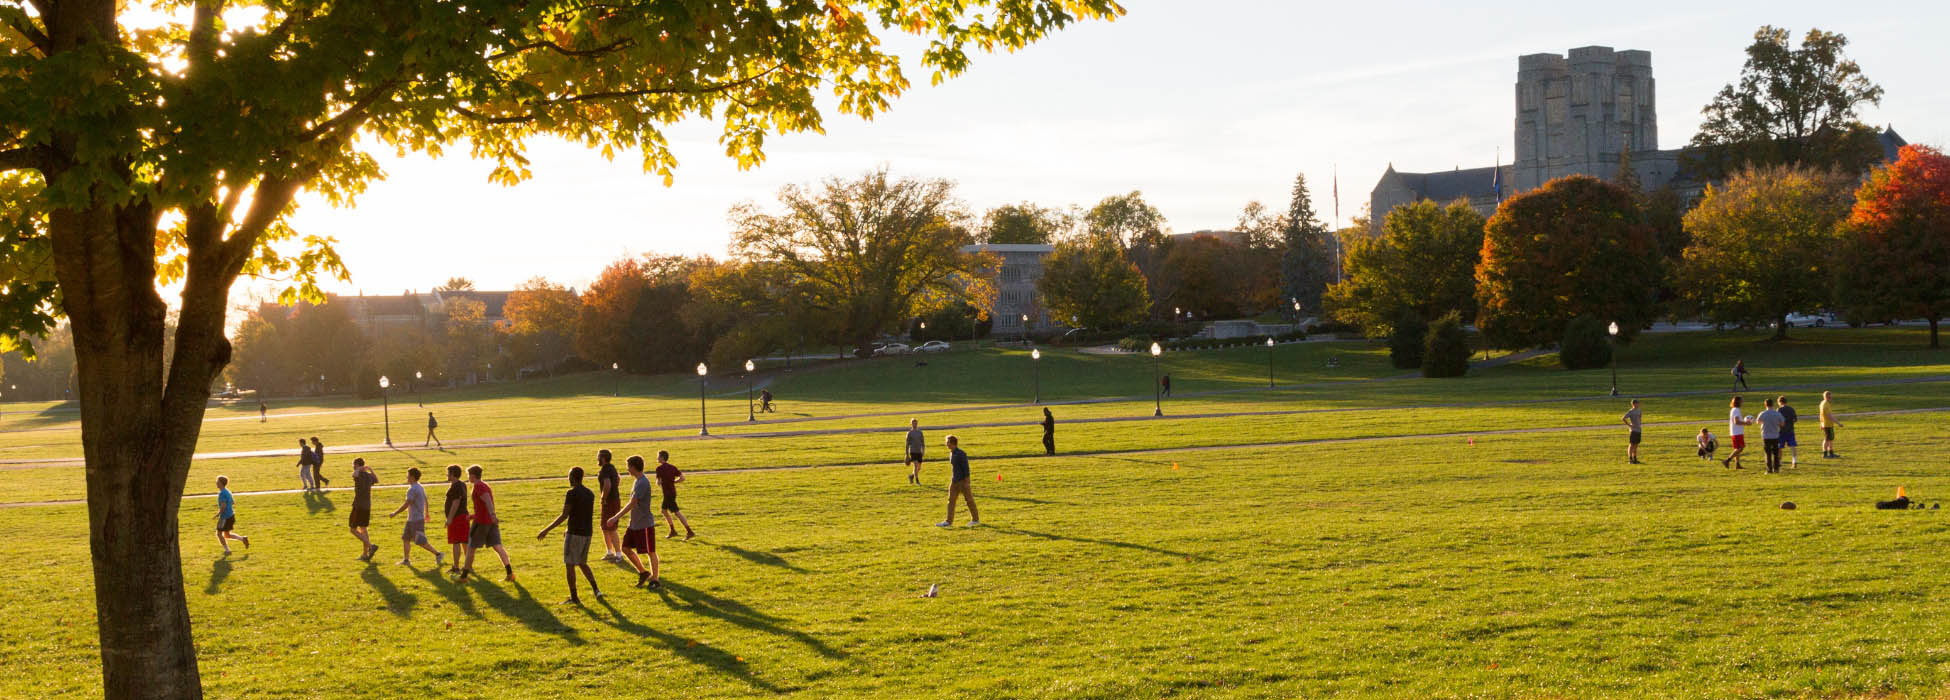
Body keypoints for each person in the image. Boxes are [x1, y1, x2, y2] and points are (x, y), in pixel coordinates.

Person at [537, 467, 602, 605]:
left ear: (572, 477)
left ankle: (574, 597)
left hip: (575, 534)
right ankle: (596, 590)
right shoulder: (590, 493)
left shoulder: (571, 493)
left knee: (570, 565)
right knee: (582, 563)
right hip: (587, 533)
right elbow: (582, 514)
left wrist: (546, 530)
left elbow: (564, 515)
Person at [603, 455, 660, 589]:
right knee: (625, 548)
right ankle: (643, 572)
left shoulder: (642, 482)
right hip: (634, 524)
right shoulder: (637, 481)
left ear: (634, 467)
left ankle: (655, 580)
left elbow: (632, 504)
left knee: (650, 551)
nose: (627, 469)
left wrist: (615, 518)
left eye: (628, 466)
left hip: (644, 524)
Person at [458, 465, 514, 583]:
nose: (468, 478)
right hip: (489, 521)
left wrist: (492, 514)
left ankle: (463, 577)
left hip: (481, 523)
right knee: (498, 547)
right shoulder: (484, 485)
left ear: (473, 476)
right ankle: (510, 573)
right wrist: (473, 516)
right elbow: (482, 506)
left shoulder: (479, 486)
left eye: (468, 475)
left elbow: (487, 500)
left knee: (471, 549)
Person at [388, 467, 444, 567]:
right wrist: (426, 513)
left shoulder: (412, 489)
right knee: (406, 539)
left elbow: (406, 504)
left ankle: (438, 554)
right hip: (412, 519)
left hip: (416, 520)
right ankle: (406, 560)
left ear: (412, 477)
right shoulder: (419, 486)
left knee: (421, 541)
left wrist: (395, 513)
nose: (406, 477)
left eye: (408, 475)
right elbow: (426, 499)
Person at [937, 435, 980, 527]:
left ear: (953, 443)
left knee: (969, 500)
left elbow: (966, 467)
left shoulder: (961, 453)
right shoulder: (951, 453)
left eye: (948, 442)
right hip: (954, 480)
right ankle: (948, 521)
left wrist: (967, 480)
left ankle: (975, 520)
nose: (946, 444)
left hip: (963, 481)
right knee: (951, 500)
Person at [656, 450, 695, 540]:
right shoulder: (673, 467)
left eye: (658, 456)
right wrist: (674, 482)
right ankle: (673, 530)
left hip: (667, 494)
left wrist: (661, 482)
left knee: (677, 513)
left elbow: (658, 482)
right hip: (672, 492)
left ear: (662, 457)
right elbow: (682, 478)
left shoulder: (659, 469)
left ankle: (689, 531)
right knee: (664, 511)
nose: (657, 458)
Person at [348, 457, 379, 561]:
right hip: (367, 506)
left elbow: (354, 475)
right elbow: (377, 480)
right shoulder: (369, 476)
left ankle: (371, 546)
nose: (353, 466)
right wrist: (370, 469)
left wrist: (359, 469)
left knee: (353, 529)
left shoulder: (359, 475)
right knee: (363, 530)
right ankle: (365, 555)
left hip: (358, 506)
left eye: (354, 464)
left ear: (357, 465)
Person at [596, 449, 623, 563]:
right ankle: (609, 552)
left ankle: (618, 554)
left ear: (602, 458)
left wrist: (603, 498)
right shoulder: (611, 467)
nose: (597, 458)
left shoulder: (605, 470)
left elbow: (607, 484)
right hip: (614, 499)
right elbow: (618, 478)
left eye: (598, 456)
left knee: (611, 527)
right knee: (604, 527)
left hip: (610, 501)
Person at [441, 465, 469, 574]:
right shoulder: (461, 484)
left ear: (452, 474)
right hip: (462, 517)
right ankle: (468, 566)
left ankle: (456, 567)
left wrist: (450, 519)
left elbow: (456, 503)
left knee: (456, 542)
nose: (447, 475)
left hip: (457, 518)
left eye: (448, 473)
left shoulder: (456, 486)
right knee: (464, 541)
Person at [214, 475, 250, 555]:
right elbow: (232, 502)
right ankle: (243, 539)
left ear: (221, 483)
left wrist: (218, 514)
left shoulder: (222, 493)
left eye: (217, 481)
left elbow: (223, 506)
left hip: (224, 518)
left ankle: (227, 550)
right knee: (227, 535)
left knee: (219, 534)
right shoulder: (228, 491)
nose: (216, 483)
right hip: (231, 516)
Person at [1722, 396, 1753, 470]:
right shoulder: (1736, 410)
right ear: (1738, 402)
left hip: (1737, 431)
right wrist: (1746, 423)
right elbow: (1736, 421)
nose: (1743, 402)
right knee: (1740, 448)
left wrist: (1745, 423)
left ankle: (1737, 464)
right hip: (1736, 432)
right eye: (1742, 401)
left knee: (1737, 448)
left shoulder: (1735, 409)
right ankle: (1727, 460)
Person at [1755, 398, 1785, 474]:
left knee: (1767, 453)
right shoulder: (1777, 413)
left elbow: (1758, 421)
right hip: (1775, 435)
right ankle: (1776, 469)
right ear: (1773, 404)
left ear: (1765, 405)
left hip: (1766, 436)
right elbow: (1782, 423)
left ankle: (1769, 469)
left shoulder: (1763, 413)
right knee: (1775, 453)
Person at [1776, 395, 1800, 468]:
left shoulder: (1779, 410)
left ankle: (1779, 462)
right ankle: (1794, 462)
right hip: (1790, 430)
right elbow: (1795, 419)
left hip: (1781, 431)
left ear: (1779, 402)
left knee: (1780, 447)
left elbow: (1777, 420)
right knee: (1793, 446)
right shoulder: (1791, 409)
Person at [1820, 390, 1844, 458]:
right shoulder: (1825, 405)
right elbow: (1830, 416)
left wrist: (1820, 423)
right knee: (1827, 439)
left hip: (1826, 424)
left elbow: (1820, 414)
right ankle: (1825, 454)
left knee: (1830, 439)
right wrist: (1838, 423)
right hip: (1827, 424)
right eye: (1830, 397)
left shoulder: (1822, 403)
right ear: (1826, 397)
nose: (1831, 398)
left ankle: (1831, 453)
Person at [1620, 399, 1642, 464]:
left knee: (1636, 445)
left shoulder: (1639, 410)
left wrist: (1640, 422)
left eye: (1638, 403)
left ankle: (1635, 459)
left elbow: (1640, 416)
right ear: (1633, 404)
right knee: (1631, 445)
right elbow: (1623, 418)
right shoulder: (1631, 411)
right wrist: (1629, 425)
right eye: (1637, 403)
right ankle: (1630, 459)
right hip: (1633, 430)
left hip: (1638, 430)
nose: (1638, 404)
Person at [904, 419, 925, 485]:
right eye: (913, 423)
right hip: (913, 451)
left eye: (916, 423)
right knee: (915, 466)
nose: (915, 424)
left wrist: (923, 450)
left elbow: (923, 443)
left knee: (919, 467)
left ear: (917, 424)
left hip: (919, 451)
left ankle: (911, 476)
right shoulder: (909, 433)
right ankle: (917, 481)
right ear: (911, 424)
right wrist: (907, 454)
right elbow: (907, 444)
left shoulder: (920, 432)